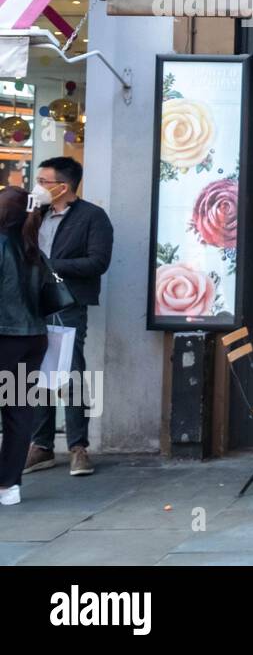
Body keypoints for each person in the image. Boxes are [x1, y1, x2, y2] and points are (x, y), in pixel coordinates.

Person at [25, 157, 113, 479]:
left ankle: (78, 447)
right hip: (31, 302)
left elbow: (97, 262)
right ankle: (41, 445)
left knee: (70, 371)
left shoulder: (93, 217)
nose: (38, 187)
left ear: (63, 186)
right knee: (35, 372)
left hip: (68, 303)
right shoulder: (36, 214)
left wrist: (50, 265)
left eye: (44, 182)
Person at [0, 187, 48, 506]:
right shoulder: (33, 246)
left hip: (5, 336)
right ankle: (9, 486)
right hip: (33, 338)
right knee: (19, 412)